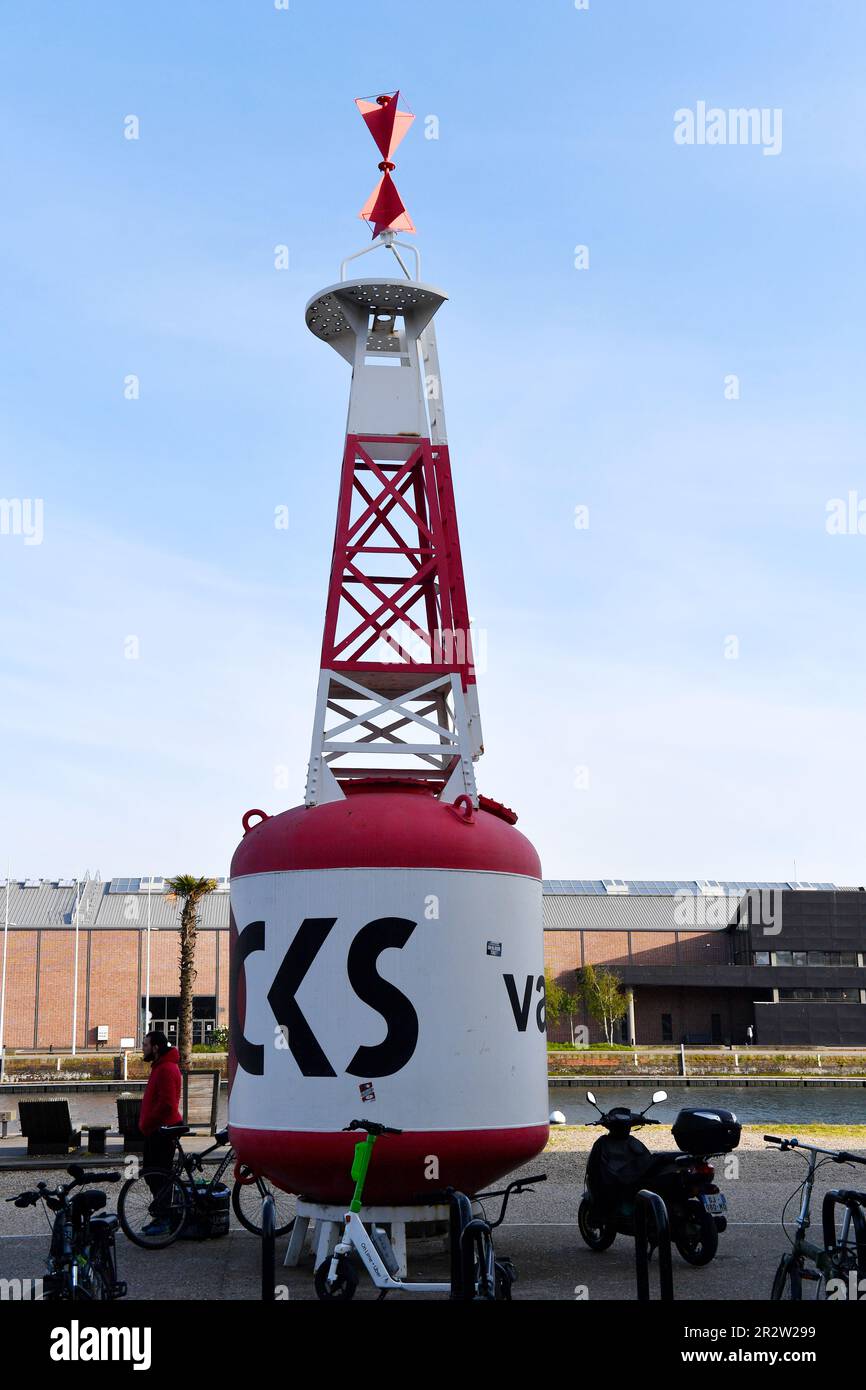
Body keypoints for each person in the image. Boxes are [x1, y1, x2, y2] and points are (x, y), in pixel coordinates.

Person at [139, 1030, 182, 1235]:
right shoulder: (161, 1067)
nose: (143, 1048)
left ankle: (165, 1218)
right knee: (155, 1174)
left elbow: (167, 1104)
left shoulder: (165, 1069)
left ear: (156, 1048)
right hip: (157, 1129)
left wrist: (148, 1122)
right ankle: (164, 1216)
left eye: (146, 1045)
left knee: (158, 1175)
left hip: (162, 1130)